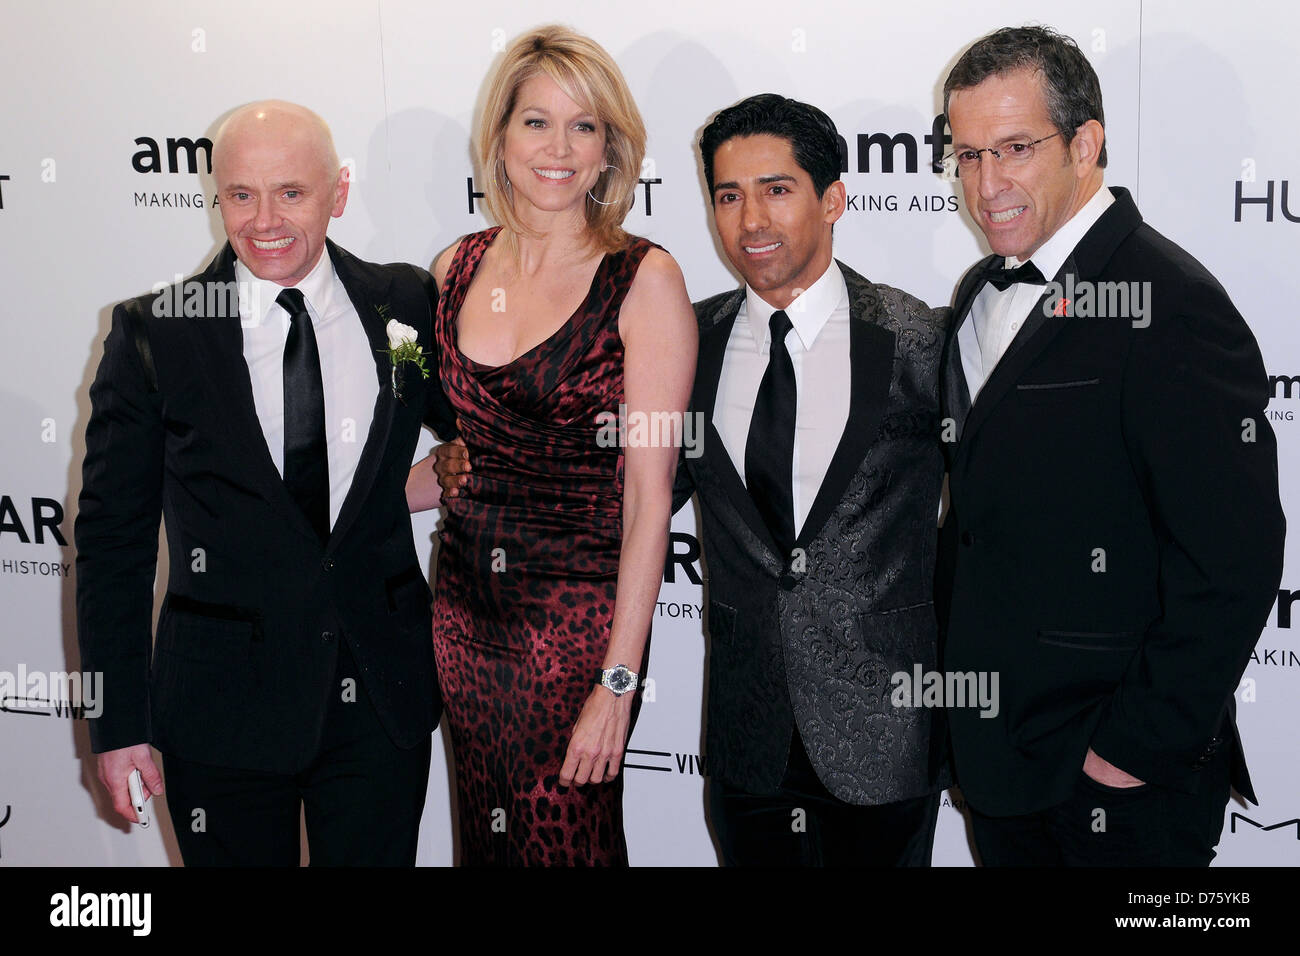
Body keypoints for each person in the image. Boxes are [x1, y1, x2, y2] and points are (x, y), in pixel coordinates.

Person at [441, 94, 950, 866]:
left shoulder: (917, 339)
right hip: (749, 742)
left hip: (886, 736)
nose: (752, 219)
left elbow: (993, 520)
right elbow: (619, 495)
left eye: (777, 190)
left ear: (834, 200)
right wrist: (479, 461)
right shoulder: (691, 337)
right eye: (729, 195)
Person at [936, 25, 1285, 865]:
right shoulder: (979, 291)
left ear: (1085, 143)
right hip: (1000, 762)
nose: (987, 184)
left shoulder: (1172, 303)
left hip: (1116, 786)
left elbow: (1232, 560)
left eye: (1015, 148)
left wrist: (1130, 752)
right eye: (969, 155)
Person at [76, 100, 458, 866]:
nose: (264, 221)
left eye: (291, 192)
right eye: (241, 195)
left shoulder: (406, 305)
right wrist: (118, 726)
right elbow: (113, 543)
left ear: (338, 193)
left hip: (378, 696)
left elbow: (479, 425)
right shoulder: (157, 332)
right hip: (220, 712)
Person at [406, 26, 696, 866]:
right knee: (486, 835)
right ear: (500, 138)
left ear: (610, 149)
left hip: (577, 628)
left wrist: (618, 683)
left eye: (584, 126)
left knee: (571, 843)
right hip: (464, 611)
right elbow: (462, 454)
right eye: (536, 122)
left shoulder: (645, 280)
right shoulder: (455, 267)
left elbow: (649, 501)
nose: (559, 150)